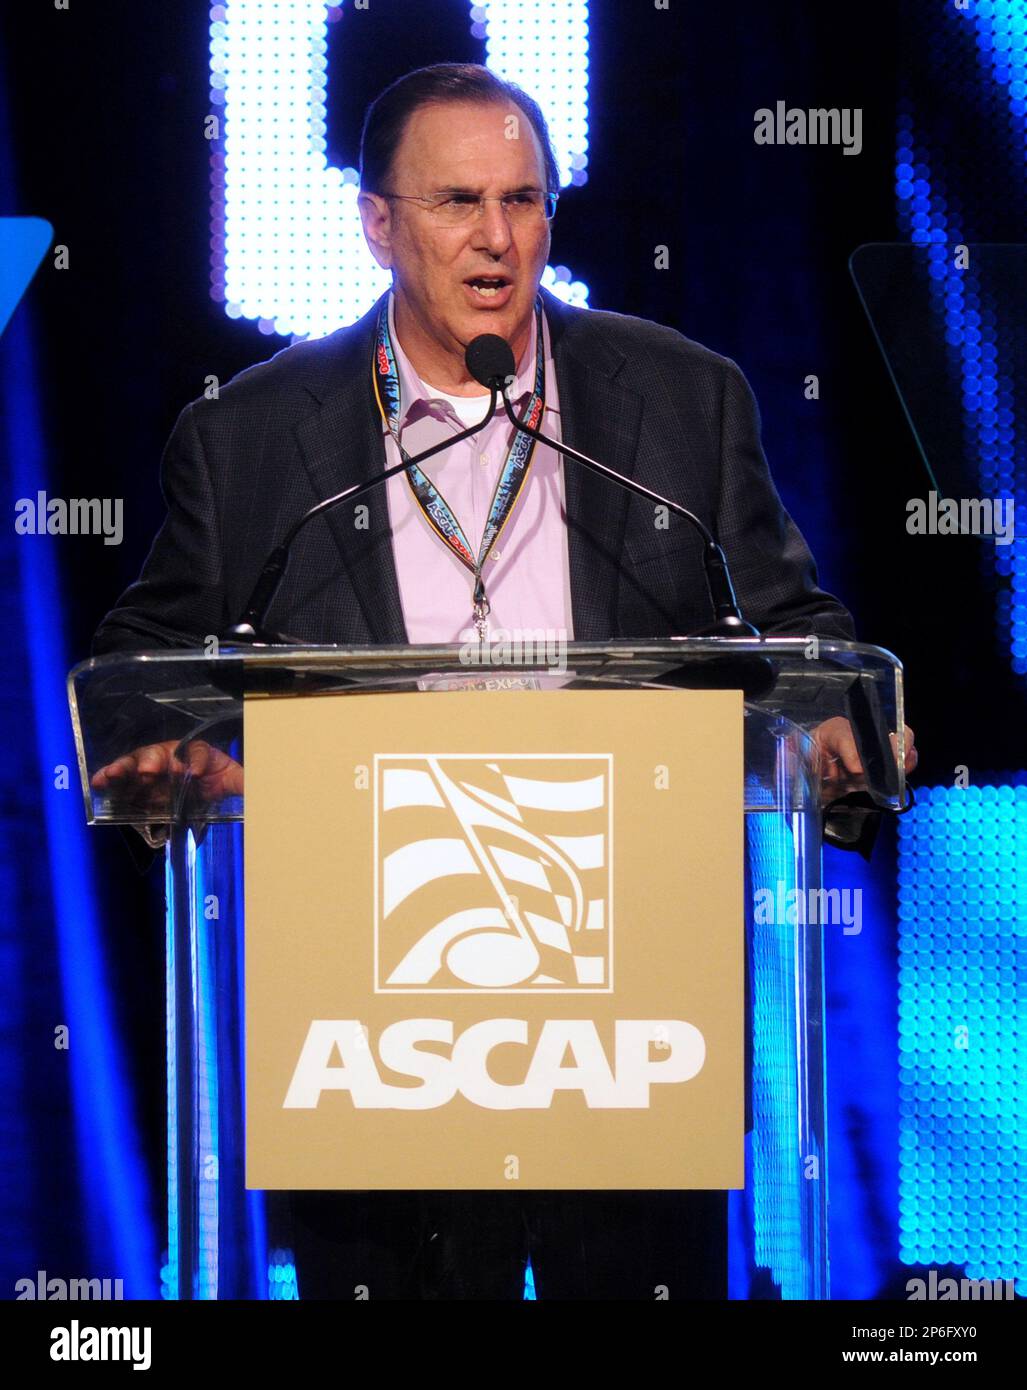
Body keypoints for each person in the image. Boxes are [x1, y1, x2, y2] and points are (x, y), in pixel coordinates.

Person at [91, 63, 916, 1298]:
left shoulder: (681, 401)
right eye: (456, 201)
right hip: (376, 1024)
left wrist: (841, 740)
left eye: (524, 200)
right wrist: (178, 752)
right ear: (377, 222)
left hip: (629, 1019)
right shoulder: (257, 437)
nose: (496, 237)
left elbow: (797, 639)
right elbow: (150, 668)